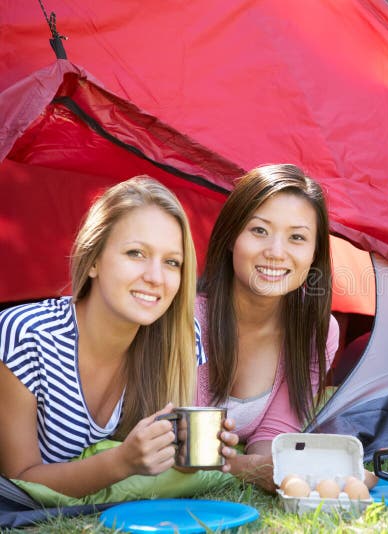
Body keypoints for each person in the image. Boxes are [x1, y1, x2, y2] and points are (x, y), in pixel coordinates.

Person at [0, 177, 237, 499]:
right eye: (136, 253)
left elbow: (168, 461)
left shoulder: (180, 340)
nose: (155, 277)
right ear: (94, 259)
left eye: (171, 262)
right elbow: (18, 482)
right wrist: (120, 462)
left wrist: (191, 452)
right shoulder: (27, 336)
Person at [196, 164, 368, 492]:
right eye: (259, 230)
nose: (276, 252)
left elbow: (272, 436)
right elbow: (182, 441)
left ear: (314, 252)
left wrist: (273, 469)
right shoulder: (188, 318)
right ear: (231, 237)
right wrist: (243, 468)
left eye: (297, 238)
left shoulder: (316, 331)